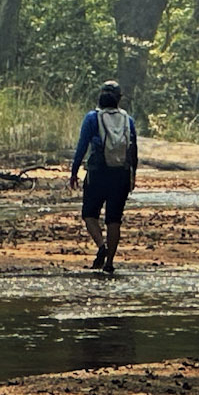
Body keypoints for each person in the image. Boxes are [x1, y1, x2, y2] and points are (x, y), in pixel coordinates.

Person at [68, 79, 138, 273]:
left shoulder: (92, 117)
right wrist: (133, 175)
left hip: (98, 173)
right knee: (114, 219)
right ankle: (109, 263)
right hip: (121, 174)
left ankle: (101, 246)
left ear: (100, 97)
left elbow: (82, 146)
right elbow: (134, 150)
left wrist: (74, 172)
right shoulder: (128, 120)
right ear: (119, 99)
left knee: (89, 214)